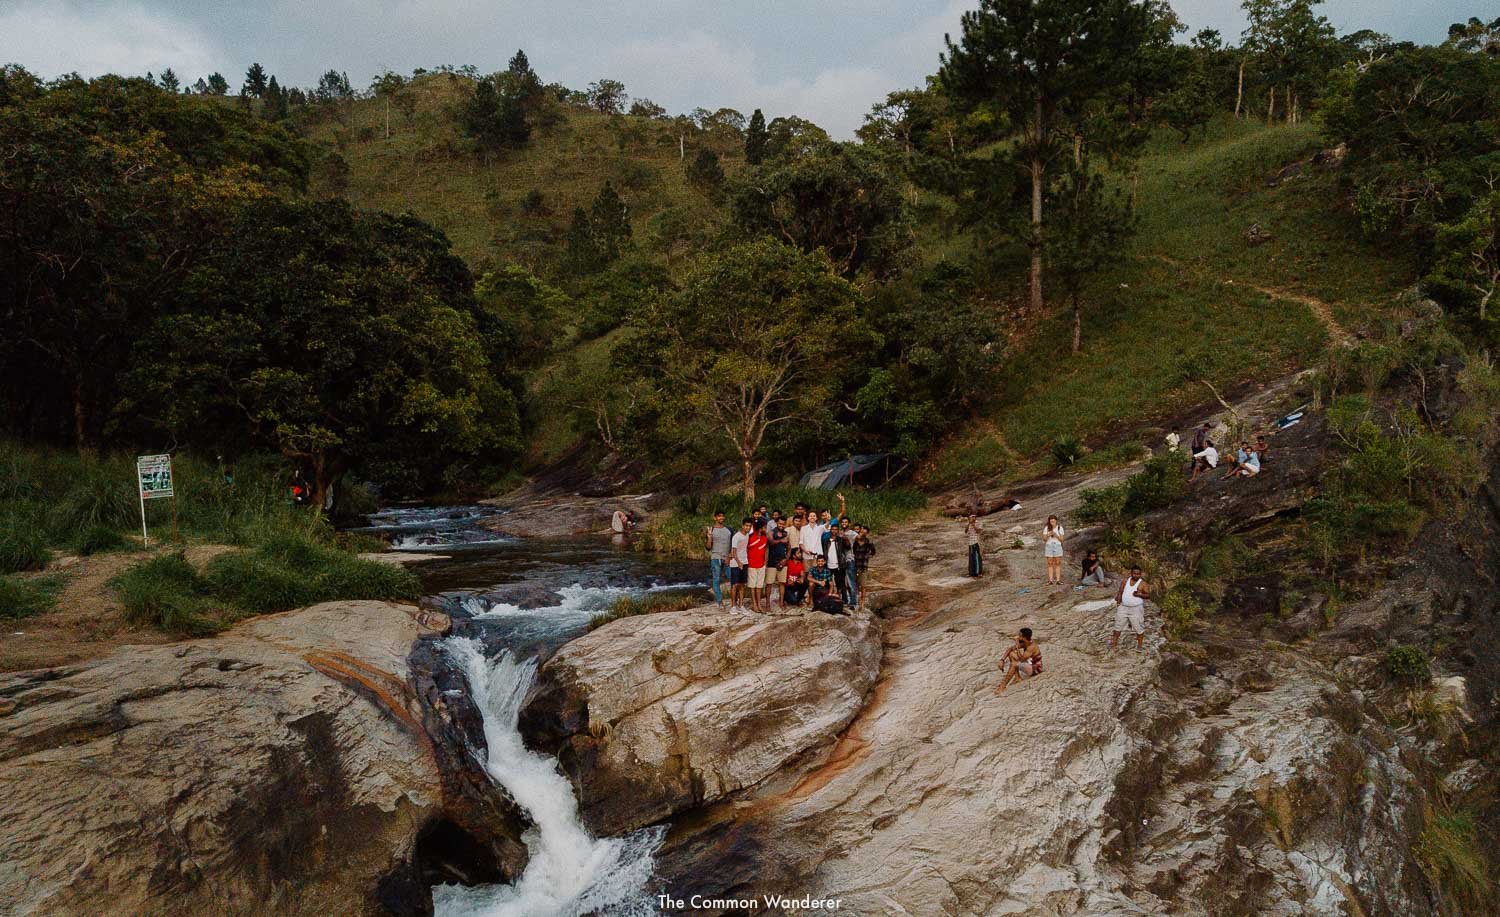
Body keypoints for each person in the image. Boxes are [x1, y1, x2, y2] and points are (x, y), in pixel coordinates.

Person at [1111, 566, 1150, 649]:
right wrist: (1118, 603)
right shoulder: (1125, 581)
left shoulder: (1143, 583)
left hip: (1136, 609)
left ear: (1140, 574)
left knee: (1139, 627)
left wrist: (1140, 594)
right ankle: (1114, 643)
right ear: (1131, 573)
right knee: (1117, 626)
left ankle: (1139, 645)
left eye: (1138, 574)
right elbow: (1120, 592)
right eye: (1134, 573)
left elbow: (1148, 595)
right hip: (1123, 607)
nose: (1136, 575)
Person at [996, 628, 1042, 693]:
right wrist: (1002, 660)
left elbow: (1021, 660)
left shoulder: (1031, 647)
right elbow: (1010, 649)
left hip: (1035, 668)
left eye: (1020, 635)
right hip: (1028, 663)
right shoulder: (1025, 643)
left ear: (1024, 637)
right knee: (1011, 654)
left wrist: (1017, 646)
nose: (1018, 637)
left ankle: (1003, 686)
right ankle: (1017, 678)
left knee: (1014, 664)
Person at [706, 511, 732, 608]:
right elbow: (708, 547)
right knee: (716, 579)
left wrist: (729, 557)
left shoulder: (729, 529)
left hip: (727, 558)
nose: (721, 518)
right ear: (715, 518)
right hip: (715, 558)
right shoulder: (711, 529)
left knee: (732, 579)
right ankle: (720, 602)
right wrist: (709, 537)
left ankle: (735, 600)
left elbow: (732, 545)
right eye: (719, 516)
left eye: (722, 516)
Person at [729, 518, 752, 612]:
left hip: (745, 562)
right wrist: (739, 563)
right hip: (735, 564)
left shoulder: (747, 535)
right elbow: (733, 552)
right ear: (742, 525)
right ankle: (733, 606)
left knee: (742, 585)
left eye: (749, 526)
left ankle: (741, 605)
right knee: (734, 585)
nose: (748, 527)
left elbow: (745, 548)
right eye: (746, 525)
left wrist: (745, 562)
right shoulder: (736, 536)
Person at [746, 521, 769, 612]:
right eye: (764, 527)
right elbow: (746, 549)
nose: (765, 529)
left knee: (759, 586)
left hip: (761, 564)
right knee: (752, 586)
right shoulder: (750, 537)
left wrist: (765, 562)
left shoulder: (764, 538)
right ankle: (754, 604)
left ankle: (759, 604)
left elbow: (766, 549)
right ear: (760, 528)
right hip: (751, 564)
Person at [767, 517, 790, 607]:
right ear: (777, 523)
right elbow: (771, 542)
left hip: (782, 561)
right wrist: (780, 540)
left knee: (782, 583)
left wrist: (786, 559)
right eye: (780, 524)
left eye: (783, 524)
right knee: (769, 583)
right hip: (772, 561)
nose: (781, 525)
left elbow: (789, 548)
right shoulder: (771, 532)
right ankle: (768, 603)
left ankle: (781, 602)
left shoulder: (786, 533)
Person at [852, 526, 876, 606]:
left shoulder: (869, 542)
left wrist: (868, 556)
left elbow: (873, 552)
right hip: (854, 565)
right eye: (861, 532)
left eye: (864, 533)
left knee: (863, 585)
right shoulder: (855, 541)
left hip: (863, 566)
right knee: (854, 584)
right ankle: (855, 600)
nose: (862, 534)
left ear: (867, 534)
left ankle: (862, 602)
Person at [825, 522, 847, 604]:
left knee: (840, 583)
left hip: (839, 565)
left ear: (838, 531)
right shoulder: (826, 541)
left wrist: (846, 539)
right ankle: (828, 598)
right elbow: (825, 551)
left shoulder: (841, 540)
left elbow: (847, 547)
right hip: (828, 564)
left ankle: (844, 600)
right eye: (832, 529)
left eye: (836, 529)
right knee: (828, 582)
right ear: (830, 530)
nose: (834, 531)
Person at [1043, 515, 1066, 586]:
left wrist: (1056, 535)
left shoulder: (1060, 528)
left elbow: (1062, 539)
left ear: (1056, 520)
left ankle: (1058, 580)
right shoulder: (1046, 528)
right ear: (1049, 521)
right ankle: (1050, 580)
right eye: (1051, 520)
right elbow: (1044, 539)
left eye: (1053, 520)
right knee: (1050, 563)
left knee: (1058, 563)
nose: (1052, 521)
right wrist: (1048, 534)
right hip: (1049, 546)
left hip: (1057, 546)